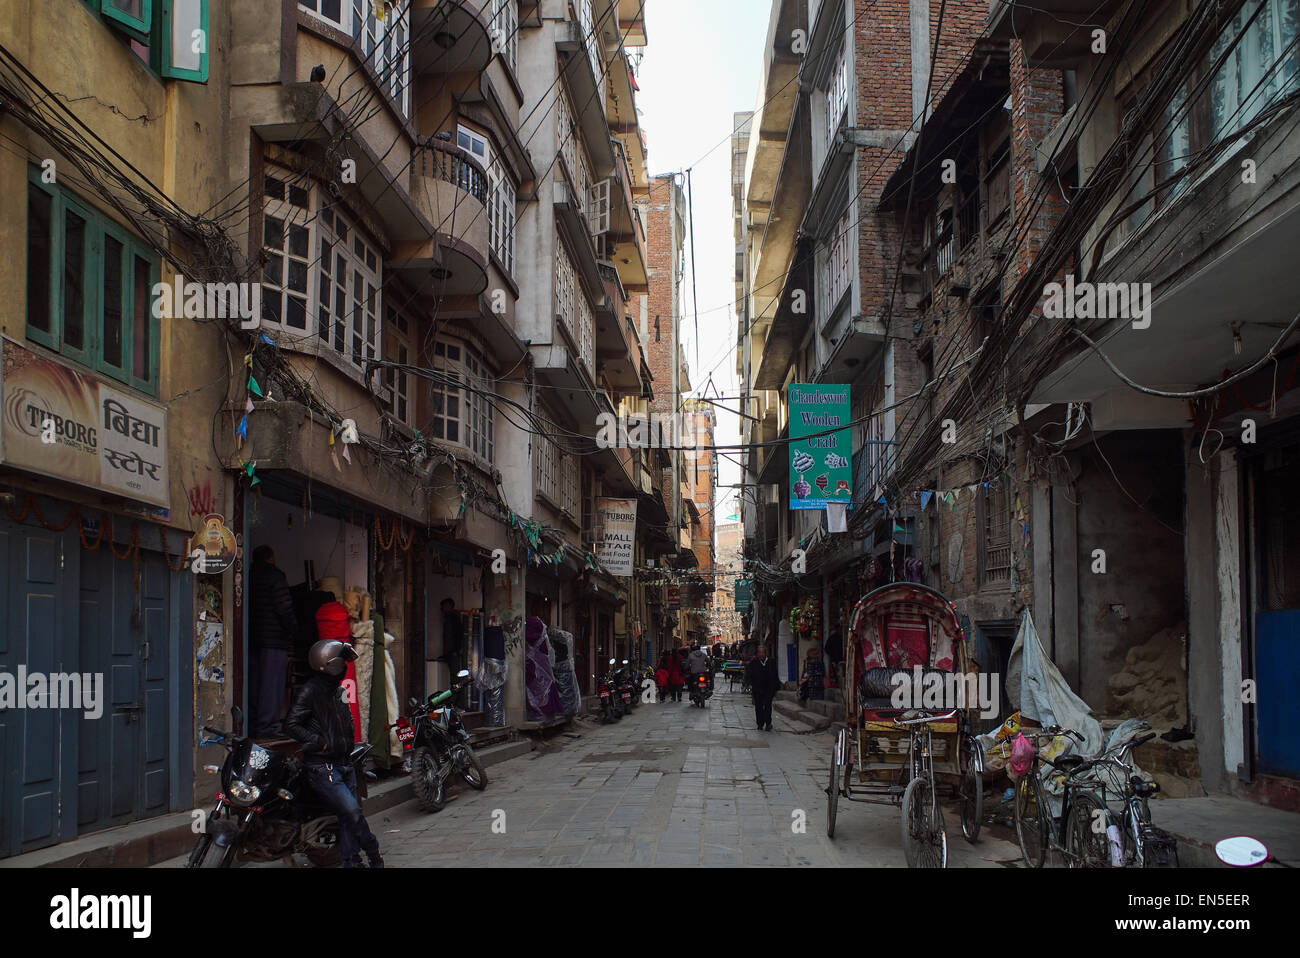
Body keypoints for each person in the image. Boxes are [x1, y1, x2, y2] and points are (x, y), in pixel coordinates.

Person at [285, 639, 384, 869]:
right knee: (352, 812)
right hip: (322, 767)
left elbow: (345, 722)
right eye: (342, 662)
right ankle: (373, 850)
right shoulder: (309, 691)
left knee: (347, 817)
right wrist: (319, 743)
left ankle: (352, 862)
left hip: (345, 761)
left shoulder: (338, 691)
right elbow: (291, 724)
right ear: (330, 664)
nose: (345, 667)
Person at [249, 545, 298, 736]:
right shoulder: (276, 576)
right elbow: (284, 608)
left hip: (253, 638)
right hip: (274, 640)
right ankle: (267, 728)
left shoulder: (249, 575)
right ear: (271, 558)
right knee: (272, 685)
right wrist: (294, 630)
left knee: (254, 685)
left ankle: (253, 726)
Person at [745, 644, 780, 731]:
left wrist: (775, 686)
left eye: (763, 653)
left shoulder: (771, 662)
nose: (761, 654)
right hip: (757, 688)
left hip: (769, 688)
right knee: (759, 706)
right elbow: (749, 675)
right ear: (757, 654)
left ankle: (768, 723)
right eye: (759, 653)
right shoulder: (754, 663)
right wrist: (749, 684)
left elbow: (775, 675)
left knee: (768, 706)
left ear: (765, 653)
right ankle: (760, 723)